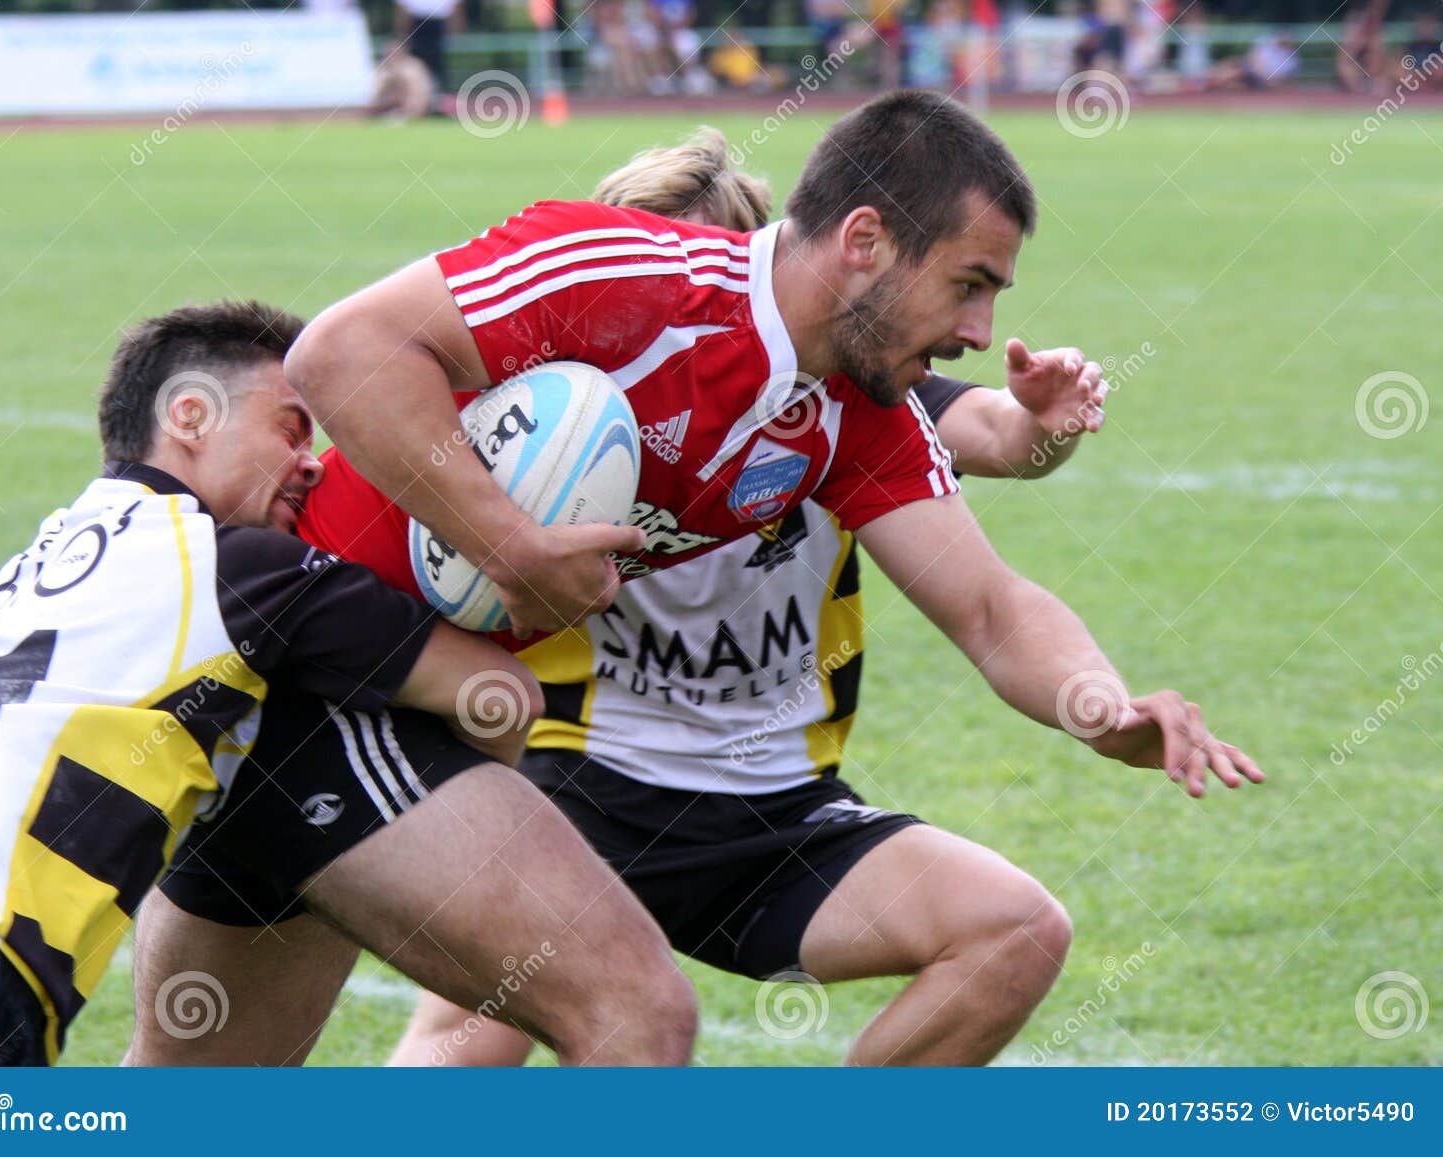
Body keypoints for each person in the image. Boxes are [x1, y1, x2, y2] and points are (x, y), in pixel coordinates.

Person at [129, 105, 1260, 1067]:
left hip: (386, 719)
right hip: (316, 675)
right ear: (863, 241)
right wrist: (517, 545)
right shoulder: (629, 273)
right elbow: (340, 354)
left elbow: (992, 606)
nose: (980, 329)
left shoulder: (850, 414)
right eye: (968, 285)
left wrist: (1103, 706)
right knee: (634, 1014)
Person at [0, 301, 691, 1067]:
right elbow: (499, 695)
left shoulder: (41, 555)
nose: (313, 465)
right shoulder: (247, 568)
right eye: (291, 428)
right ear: (189, 414)